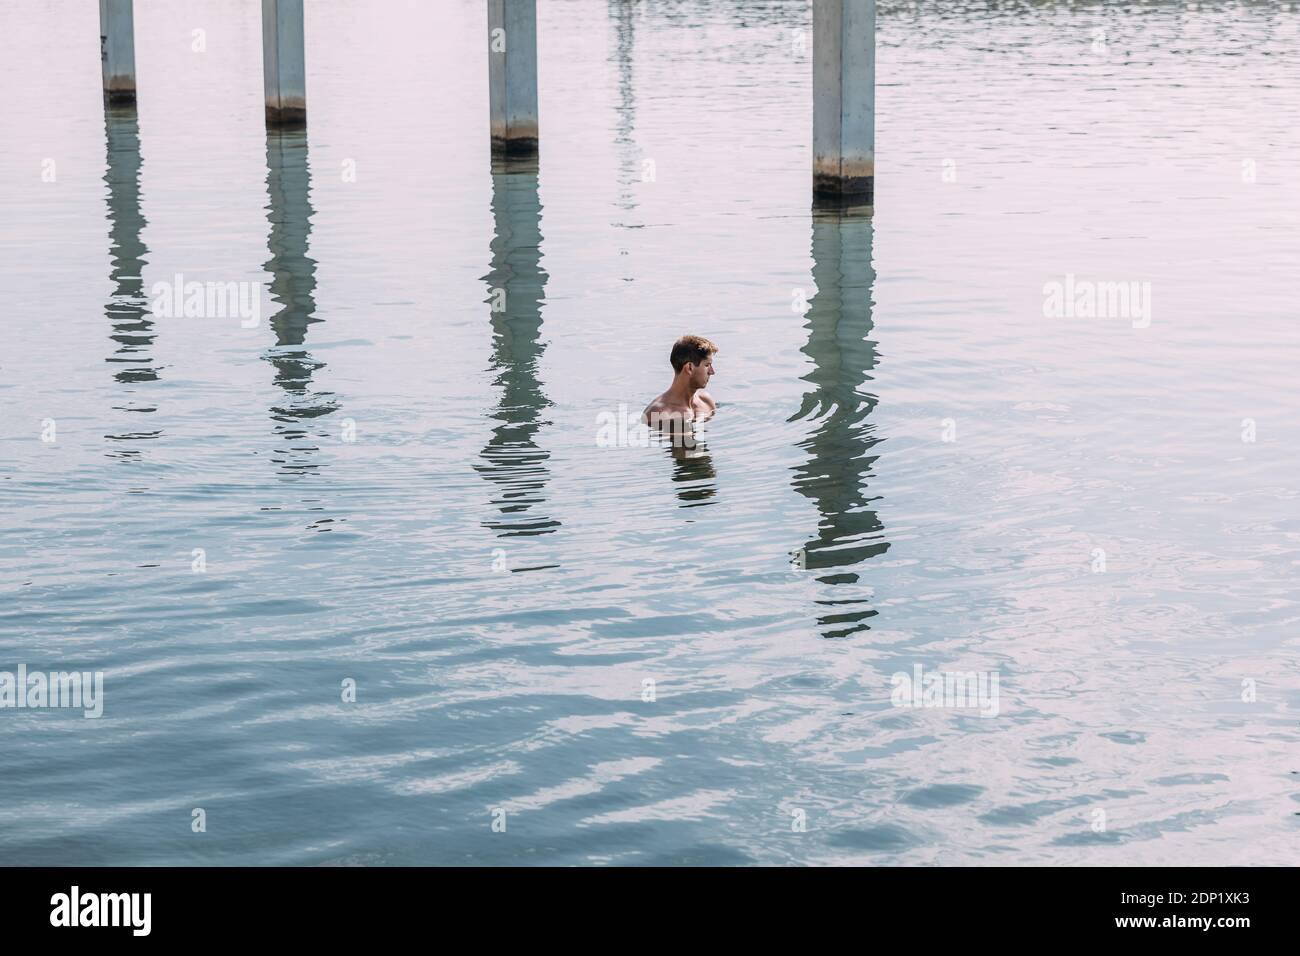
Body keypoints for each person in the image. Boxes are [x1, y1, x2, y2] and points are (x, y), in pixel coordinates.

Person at [641, 335, 718, 443]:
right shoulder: (658, 414)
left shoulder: (706, 401)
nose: (712, 372)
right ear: (689, 368)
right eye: (707, 365)